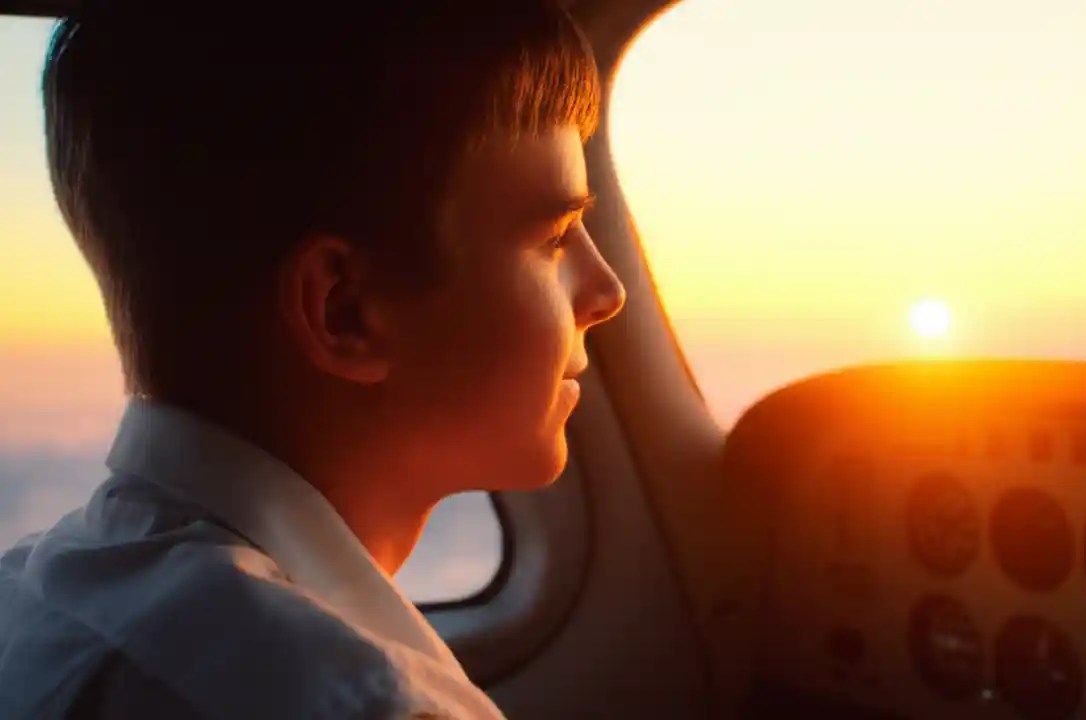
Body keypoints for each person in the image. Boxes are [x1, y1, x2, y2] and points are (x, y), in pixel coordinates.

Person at [0, 1, 625, 717]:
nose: (607, 290)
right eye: (555, 237)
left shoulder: (28, 594)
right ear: (344, 313)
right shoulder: (359, 702)